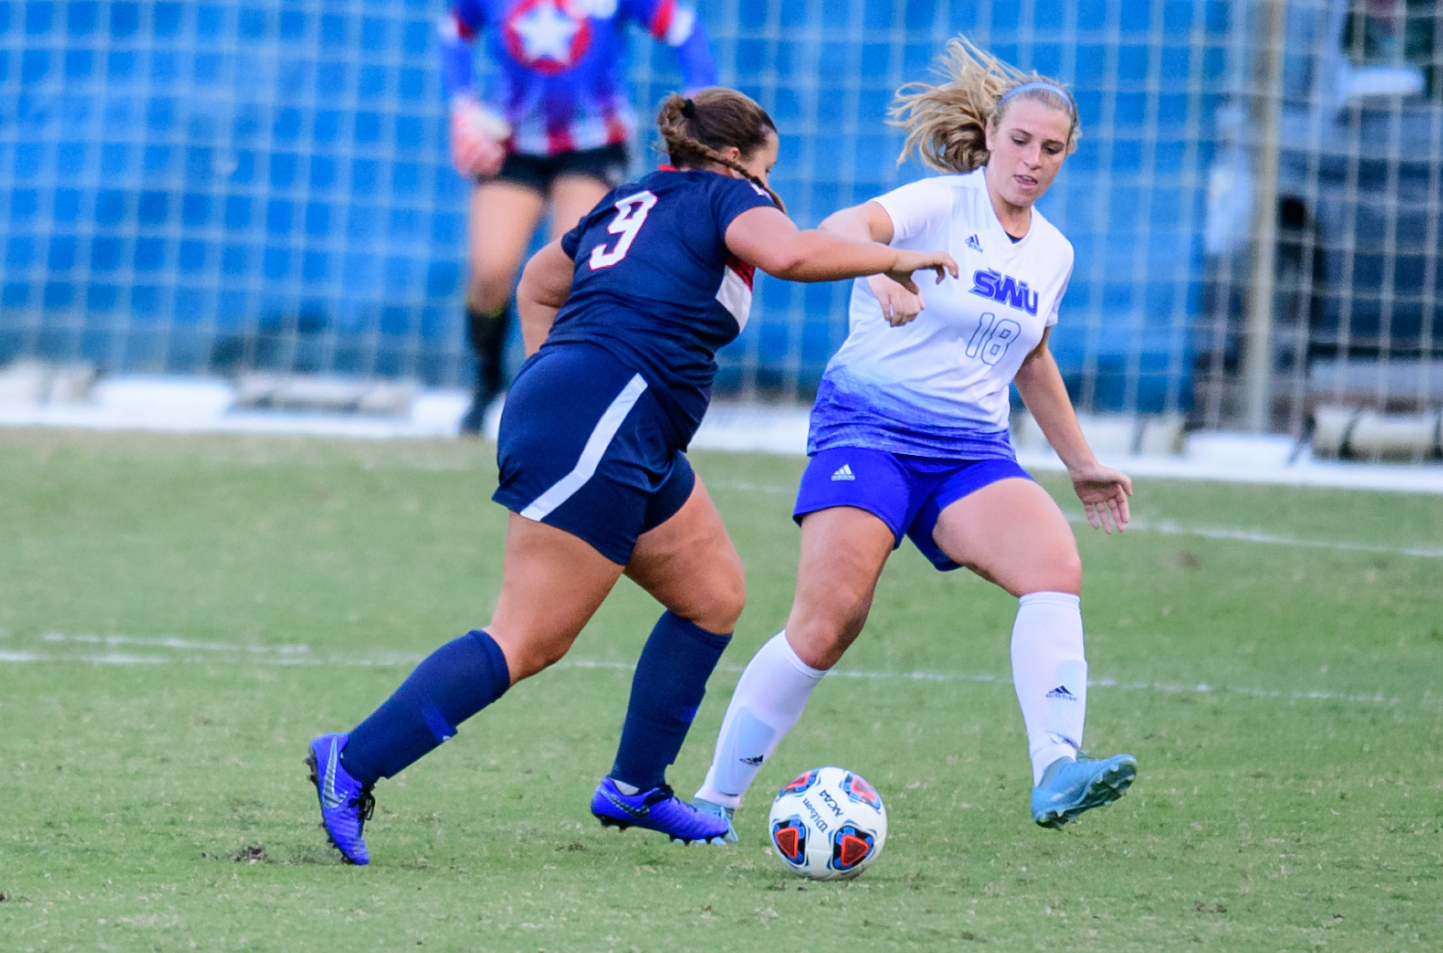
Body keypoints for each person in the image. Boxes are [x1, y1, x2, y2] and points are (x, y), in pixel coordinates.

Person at [306, 87, 959, 865]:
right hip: (601, 415)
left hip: (616, 418)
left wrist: (553, 375)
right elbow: (787, 254)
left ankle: (635, 786)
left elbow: (539, 285)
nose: (769, 187)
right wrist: (893, 257)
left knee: (712, 597)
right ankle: (351, 760)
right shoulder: (722, 196)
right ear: (729, 158)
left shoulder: (633, 196)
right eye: (766, 169)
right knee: (528, 636)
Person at [686, 39, 1137, 840]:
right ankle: (714, 801)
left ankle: (1056, 764)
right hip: (869, 427)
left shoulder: (1053, 252)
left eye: (1051, 148)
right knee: (828, 622)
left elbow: (1030, 356)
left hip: (971, 450)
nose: (1032, 160)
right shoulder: (938, 204)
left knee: (1052, 565)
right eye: (1021, 141)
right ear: (992, 136)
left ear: (1068, 155)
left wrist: (1082, 464)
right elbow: (838, 226)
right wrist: (880, 269)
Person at [440, 0, 719, 435]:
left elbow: (682, 27)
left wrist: (696, 108)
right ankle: (486, 381)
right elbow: (455, 31)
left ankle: (555, 401)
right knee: (490, 274)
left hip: (593, 147)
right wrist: (463, 110)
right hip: (510, 146)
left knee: (569, 278)